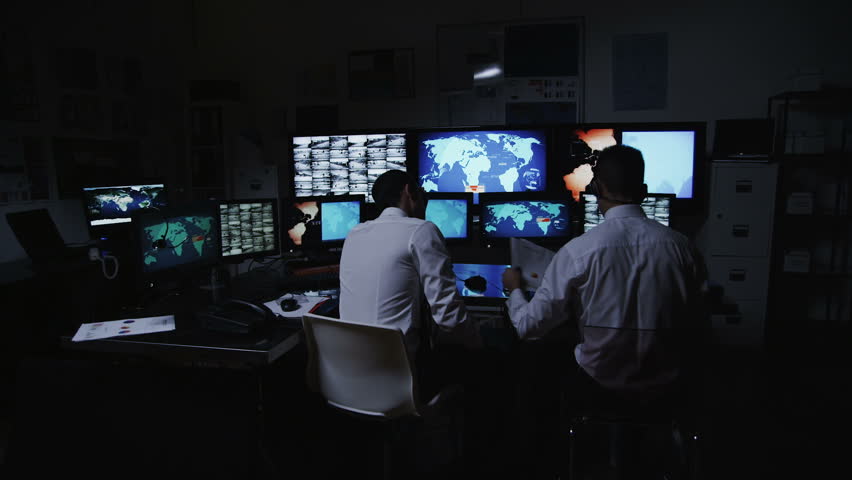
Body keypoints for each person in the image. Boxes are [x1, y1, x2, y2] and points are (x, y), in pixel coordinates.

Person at [503, 144, 707, 477]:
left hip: (600, 388)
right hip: (667, 387)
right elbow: (698, 323)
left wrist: (514, 291)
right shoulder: (683, 249)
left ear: (596, 188)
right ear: (643, 191)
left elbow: (528, 327)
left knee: (537, 366)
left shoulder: (577, 253)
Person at [339, 169, 481, 359]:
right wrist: (479, 340)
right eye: (422, 192)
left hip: (348, 364)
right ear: (409, 191)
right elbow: (448, 316)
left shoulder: (354, 234)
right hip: (398, 365)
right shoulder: (422, 230)